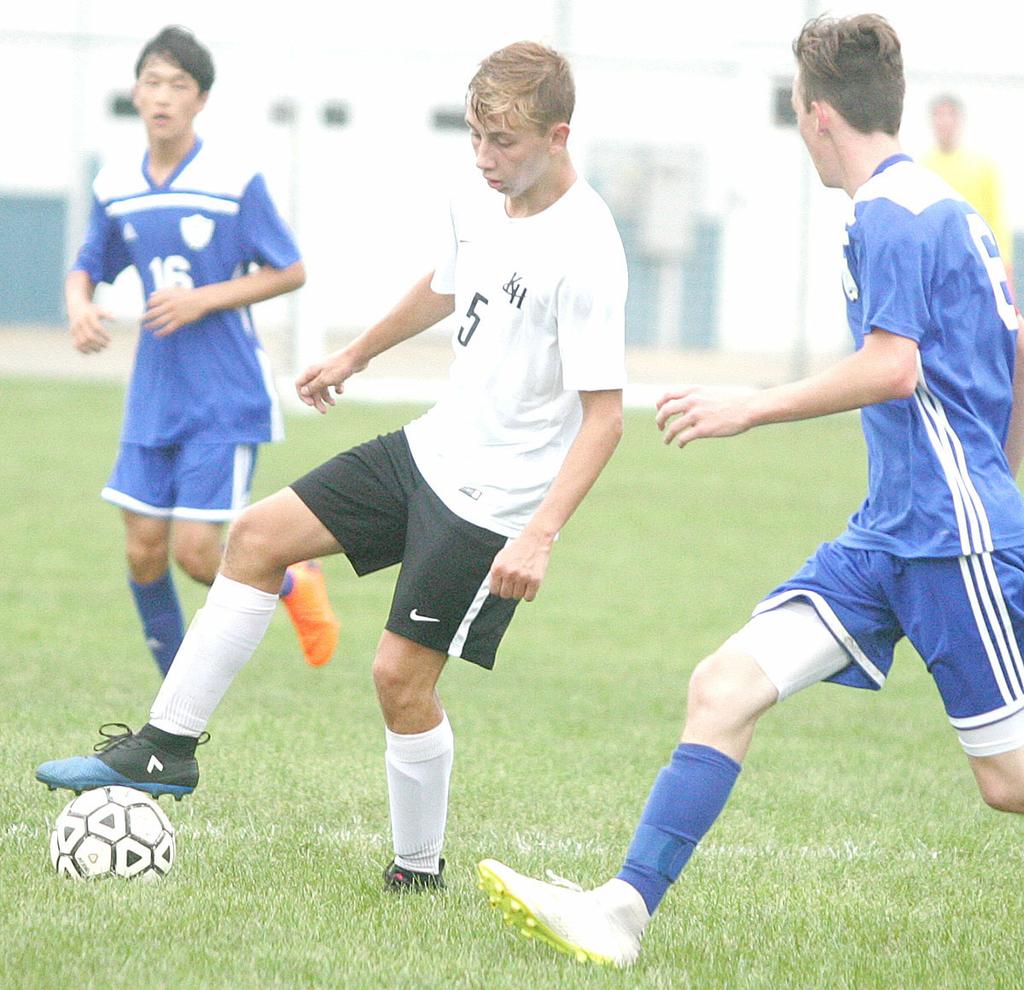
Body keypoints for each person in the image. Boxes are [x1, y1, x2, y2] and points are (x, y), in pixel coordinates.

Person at [476, 13, 1024, 967]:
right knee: (723, 687)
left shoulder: (890, 214)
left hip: (946, 537)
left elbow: (893, 368)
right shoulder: (949, 209)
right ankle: (622, 912)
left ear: (817, 117)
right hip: (891, 533)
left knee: (1008, 778)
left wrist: (749, 407)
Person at [37, 41, 628, 890]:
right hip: (429, 448)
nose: (484, 158)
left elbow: (605, 421)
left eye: (504, 142)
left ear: (558, 135)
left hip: (494, 501)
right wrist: (355, 354)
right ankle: (166, 748)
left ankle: (417, 869)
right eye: (475, 136)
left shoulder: (589, 248)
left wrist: (539, 535)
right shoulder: (480, 196)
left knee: (398, 680)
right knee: (257, 535)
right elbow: (448, 282)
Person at [66, 26, 340, 676]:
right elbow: (87, 265)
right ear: (136, 93)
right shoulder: (115, 184)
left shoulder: (232, 178)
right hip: (154, 395)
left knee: (196, 555)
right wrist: (80, 307)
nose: (163, 97)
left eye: (178, 85)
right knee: (141, 551)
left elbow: (290, 268)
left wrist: (202, 298)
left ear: (201, 100)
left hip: (225, 393)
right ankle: (171, 698)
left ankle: (297, 582)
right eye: (152, 83)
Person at [923, 93, 1014, 287]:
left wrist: (1004, 269)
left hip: (976, 266)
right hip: (936, 268)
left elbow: (996, 219)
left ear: (959, 121)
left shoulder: (983, 167)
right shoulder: (921, 168)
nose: (944, 122)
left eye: (950, 115)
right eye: (939, 115)